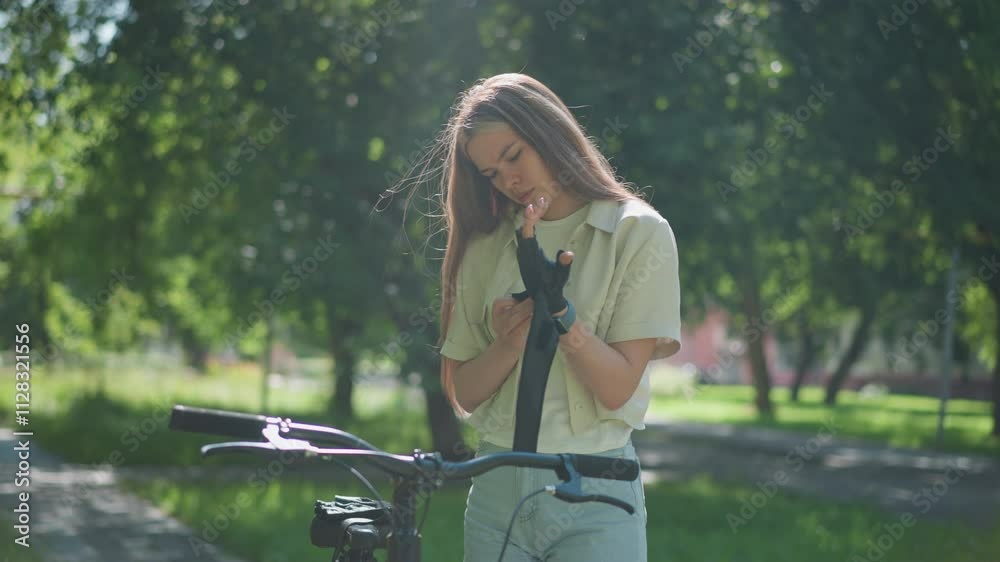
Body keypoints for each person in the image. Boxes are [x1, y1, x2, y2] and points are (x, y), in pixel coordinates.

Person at [434, 73, 682, 561]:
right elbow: (461, 393)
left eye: (513, 156)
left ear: (549, 131)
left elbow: (616, 389)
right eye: (491, 174)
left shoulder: (638, 233)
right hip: (495, 490)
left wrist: (561, 314)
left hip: (594, 488)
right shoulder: (484, 244)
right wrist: (509, 342)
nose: (510, 181)